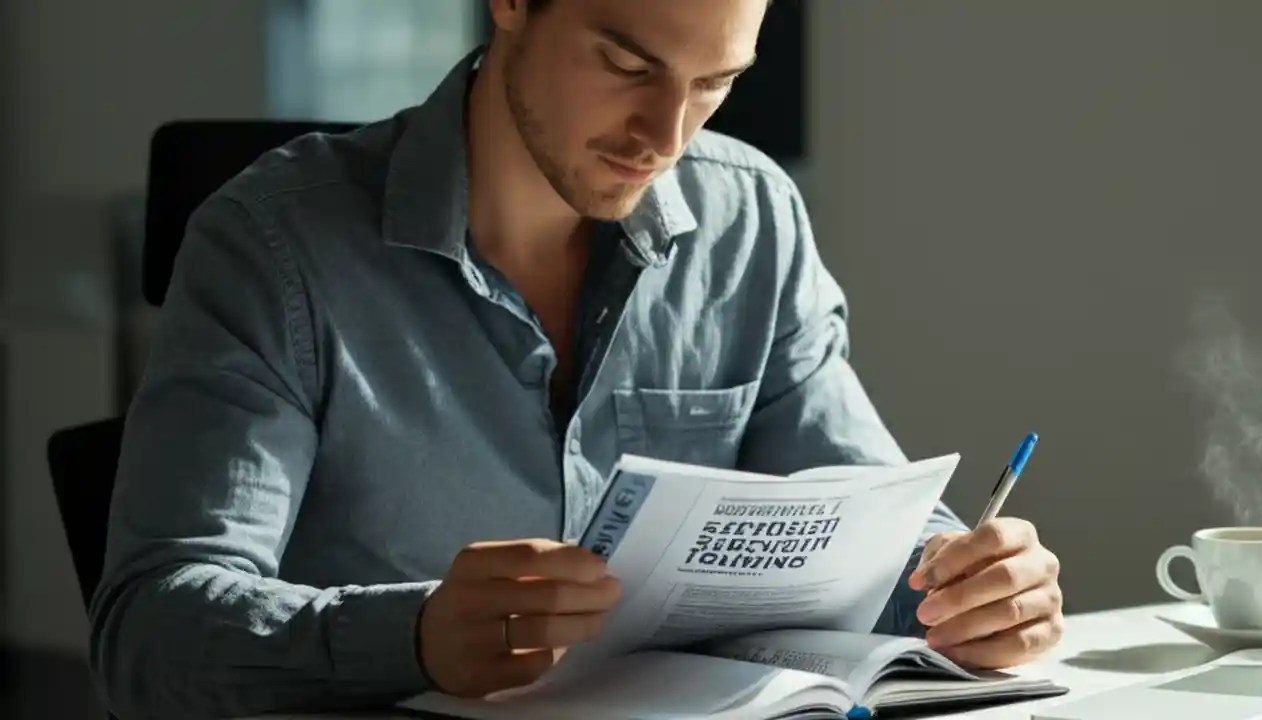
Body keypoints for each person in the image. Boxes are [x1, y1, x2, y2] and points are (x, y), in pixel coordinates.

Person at [90, 0, 1064, 717]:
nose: (667, 136)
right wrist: (418, 636)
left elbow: (869, 515)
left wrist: (964, 584)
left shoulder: (749, 219)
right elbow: (149, 630)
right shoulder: (274, 247)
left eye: (714, 84)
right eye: (627, 65)